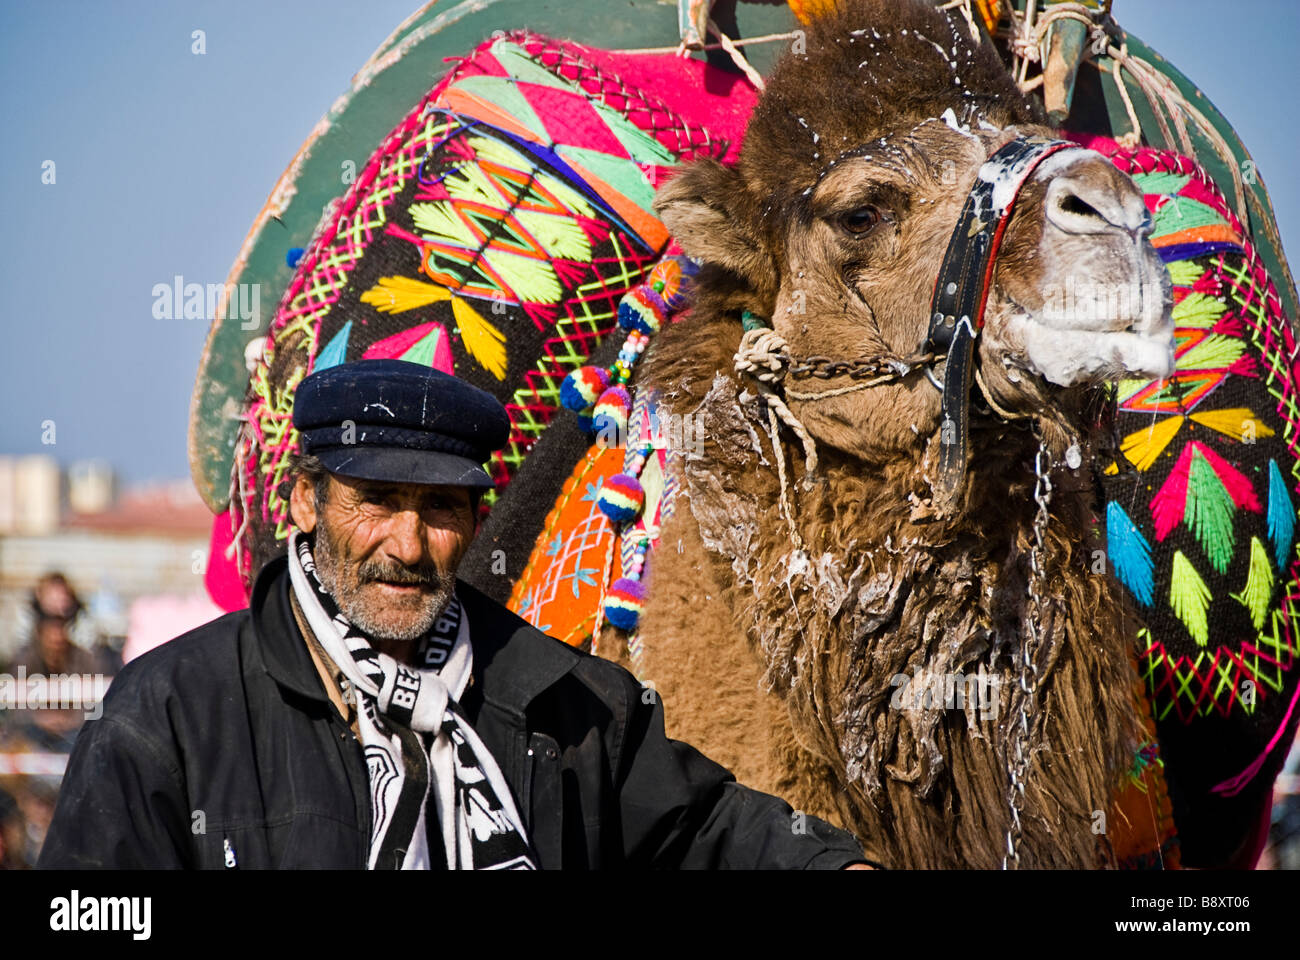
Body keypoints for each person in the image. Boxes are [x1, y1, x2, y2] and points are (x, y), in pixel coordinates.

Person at [40, 359, 872, 869]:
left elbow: (703, 828)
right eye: (376, 500)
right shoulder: (171, 714)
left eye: (439, 507)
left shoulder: (562, 700)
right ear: (305, 501)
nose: (408, 545)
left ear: (476, 521)